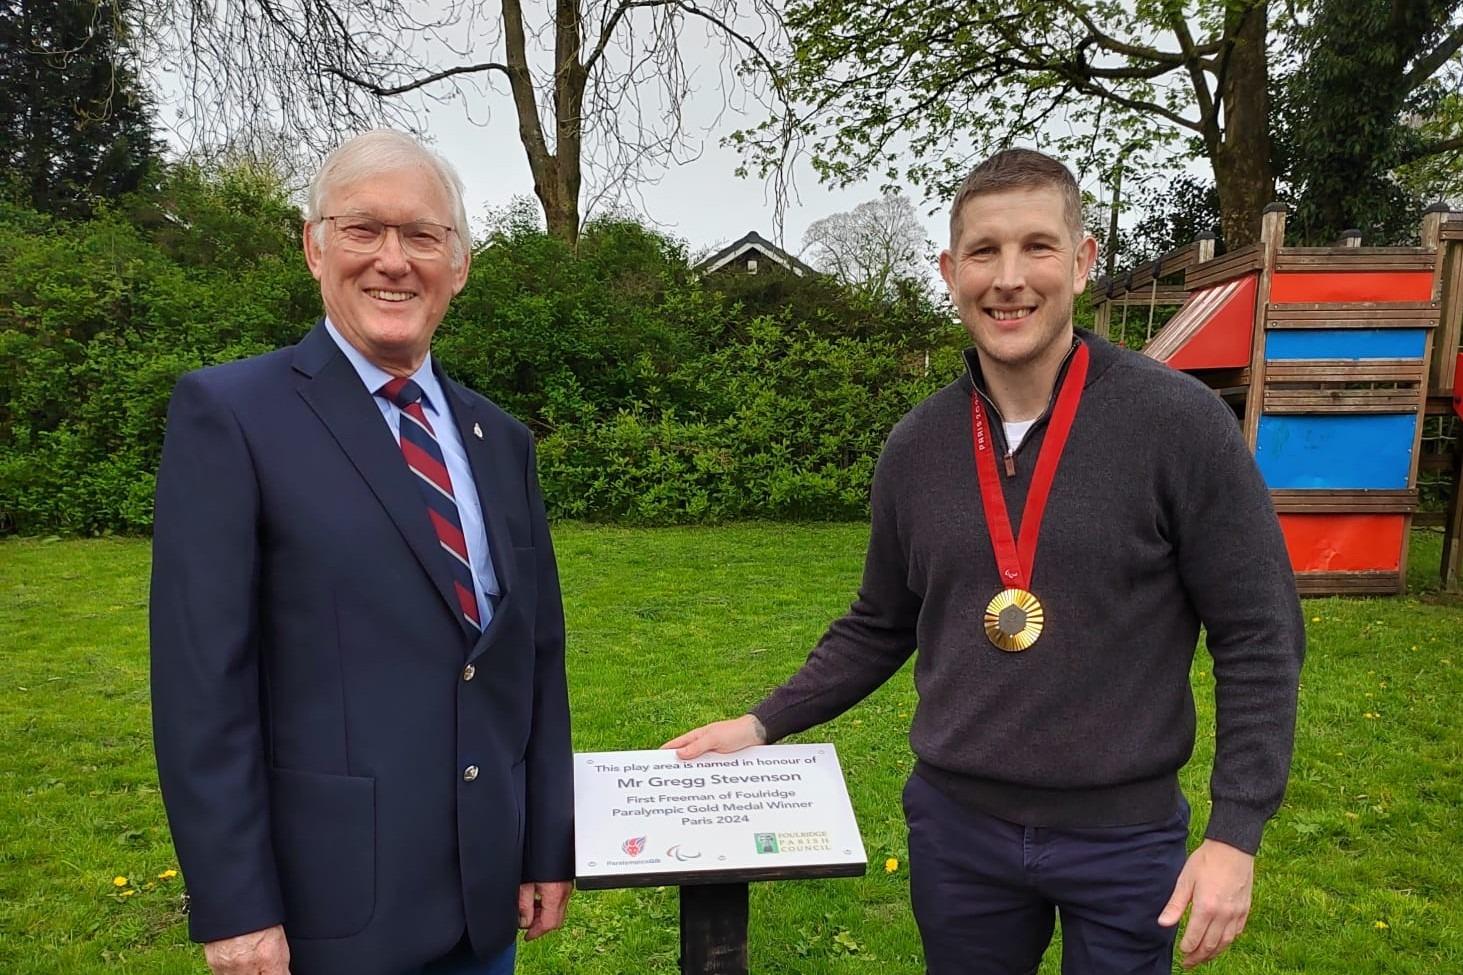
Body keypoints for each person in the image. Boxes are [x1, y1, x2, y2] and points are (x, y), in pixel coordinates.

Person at [666, 148, 1304, 974]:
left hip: (1123, 836)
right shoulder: (916, 448)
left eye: (1037, 246)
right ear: (948, 270)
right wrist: (760, 722)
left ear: (1081, 261)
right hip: (957, 832)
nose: (1009, 278)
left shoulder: (1176, 426)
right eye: (982, 251)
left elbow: (1259, 632)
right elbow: (878, 621)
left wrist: (1234, 831)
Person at [150, 129, 573, 975]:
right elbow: (204, 685)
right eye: (362, 230)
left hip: (479, 903)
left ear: (459, 264)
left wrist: (543, 843)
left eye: (422, 235)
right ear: (314, 246)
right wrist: (236, 905)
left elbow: (533, 656)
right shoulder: (232, 415)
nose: (393, 261)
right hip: (327, 910)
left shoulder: (500, 438)